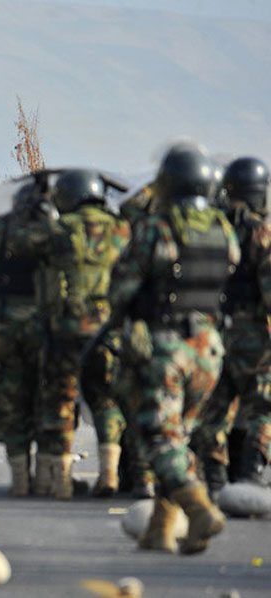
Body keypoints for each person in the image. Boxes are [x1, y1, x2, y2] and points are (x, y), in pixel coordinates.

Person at [108, 142, 238, 554]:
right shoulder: (222, 228)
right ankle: (162, 530)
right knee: (180, 436)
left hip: (166, 346)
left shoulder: (158, 227)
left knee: (158, 435)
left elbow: (121, 287)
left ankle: (199, 509)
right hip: (209, 348)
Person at [40, 170, 130, 499]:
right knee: (106, 398)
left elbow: (48, 282)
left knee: (63, 399)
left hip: (67, 327)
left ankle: (62, 481)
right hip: (108, 327)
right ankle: (109, 474)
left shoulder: (60, 229)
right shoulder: (121, 229)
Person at [0, 180, 59, 497]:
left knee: (9, 392)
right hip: (45, 325)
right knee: (48, 393)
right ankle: (48, 477)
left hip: (6, 323)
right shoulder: (56, 232)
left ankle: (20, 478)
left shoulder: (2, 228)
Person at [192, 156, 271, 492]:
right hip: (251, 333)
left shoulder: (207, 229)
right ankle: (252, 470)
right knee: (262, 405)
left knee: (213, 406)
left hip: (207, 331)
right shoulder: (261, 232)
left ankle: (213, 473)